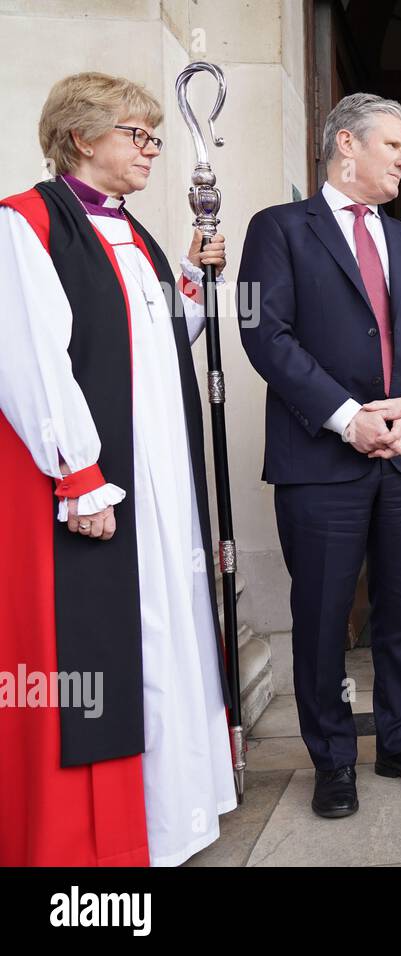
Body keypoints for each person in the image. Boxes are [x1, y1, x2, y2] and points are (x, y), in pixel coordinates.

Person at [0, 72, 234, 865]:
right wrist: (77, 477)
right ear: (81, 138)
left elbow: (152, 347)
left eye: (155, 136)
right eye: (138, 135)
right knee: (115, 640)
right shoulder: (28, 224)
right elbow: (31, 361)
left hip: (163, 469)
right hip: (97, 479)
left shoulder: (133, 231)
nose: (152, 151)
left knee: (169, 623)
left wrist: (194, 292)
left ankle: (178, 811)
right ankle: (113, 832)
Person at [240, 93, 401, 819]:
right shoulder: (277, 229)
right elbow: (264, 335)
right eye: (393, 144)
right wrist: (347, 419)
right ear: (345, 146)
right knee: (324, 616)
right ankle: (333, 761)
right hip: (320, 461)